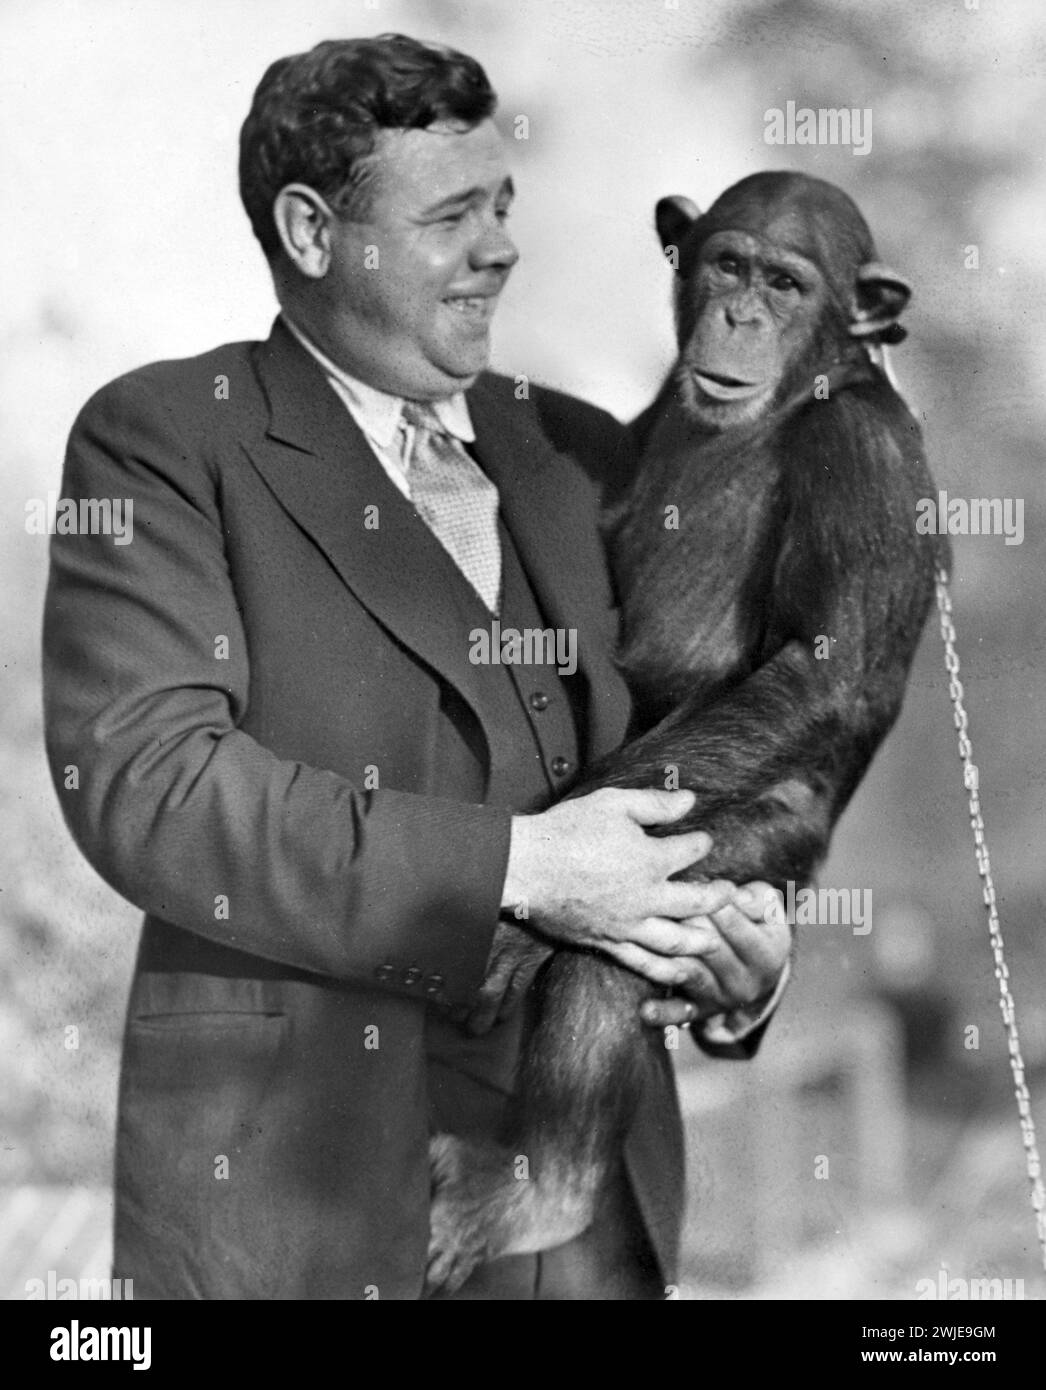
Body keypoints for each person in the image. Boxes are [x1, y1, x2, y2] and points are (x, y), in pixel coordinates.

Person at [42, 33, 790, 1300]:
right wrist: (524, 868)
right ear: (312, 229)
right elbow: (151, 787)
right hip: (296, 1207)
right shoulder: (160, 442)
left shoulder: (584, 453)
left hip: (584, 1211)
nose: (500, 246)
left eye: (502, 204)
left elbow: (692, 772)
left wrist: (731, 960)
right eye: (451, 214)